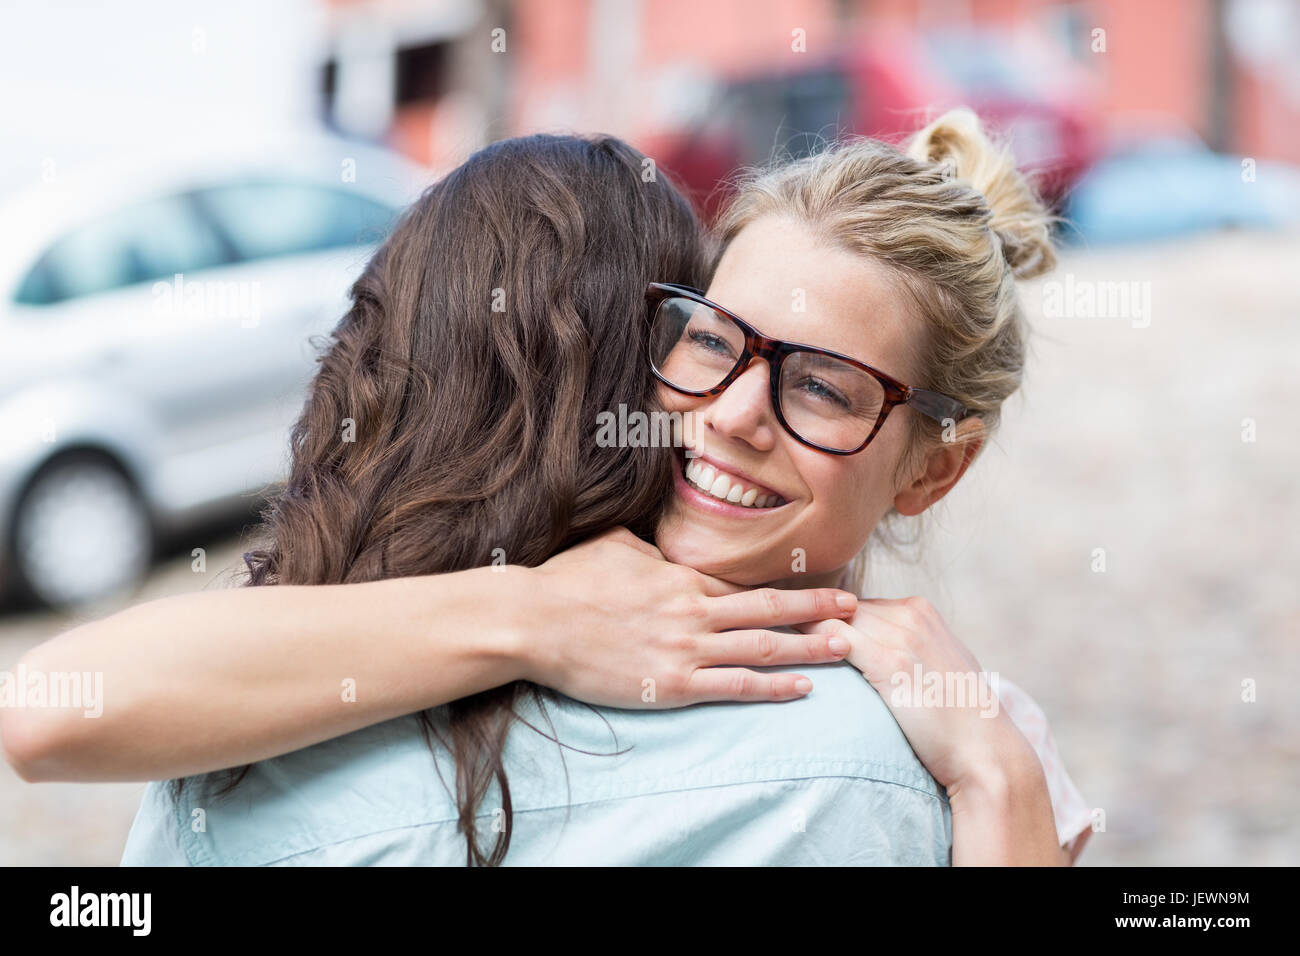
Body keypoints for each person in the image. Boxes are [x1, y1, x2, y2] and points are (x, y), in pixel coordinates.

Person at [7, 113, 1089, 865]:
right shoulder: (448, 634)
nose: (732, 411)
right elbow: (46, 711)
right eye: (710, 339)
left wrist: (995, 775)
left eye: (820, 386)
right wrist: (533, 615)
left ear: (936, 465)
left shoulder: (947, 769)